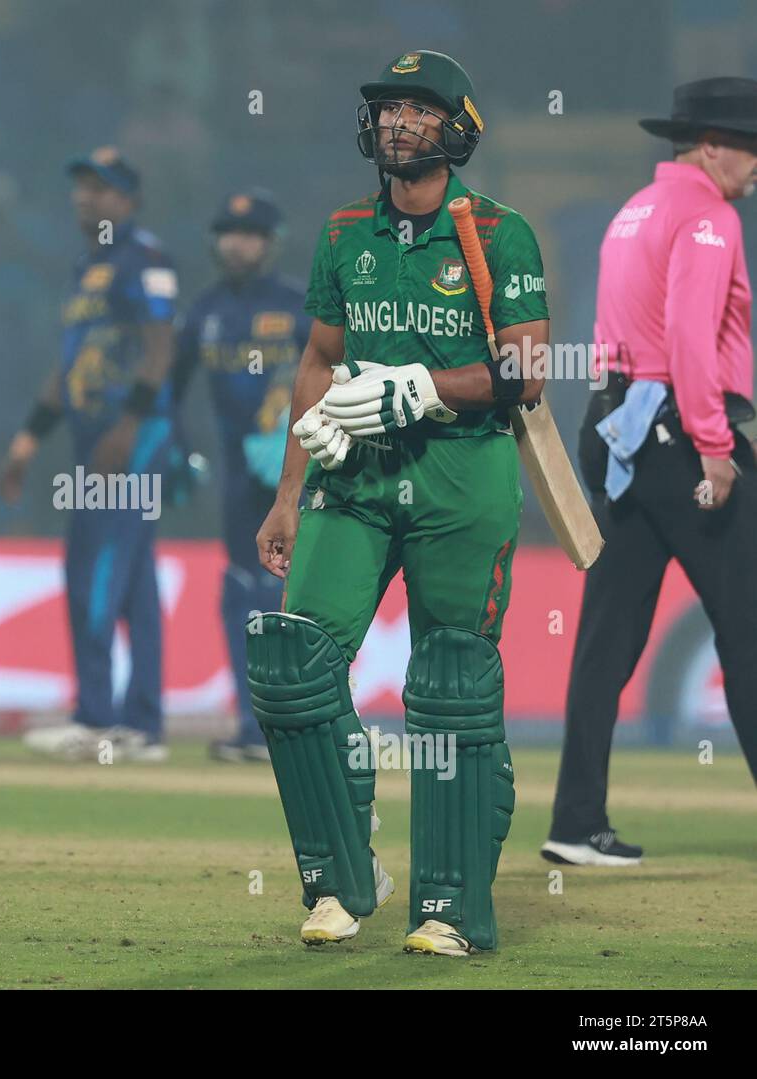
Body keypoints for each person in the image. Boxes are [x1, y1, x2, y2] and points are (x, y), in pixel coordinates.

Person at [253, 51, 549, 955]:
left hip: (463, 474)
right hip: (355, 475)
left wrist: (422, 387)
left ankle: (451, 906)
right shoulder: (345, 231)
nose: (397, 124)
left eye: (418, 110)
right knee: (291, 665)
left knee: (454, 684)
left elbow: (526, 370)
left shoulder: (498, 233)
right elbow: (316, 359)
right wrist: (289, 490)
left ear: (457, 127)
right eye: (387, 110)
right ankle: (345, 878)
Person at [545, 78, 757, 867]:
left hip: (622, 432)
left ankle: (575, 821)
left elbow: (618, 332)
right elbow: (691, 340)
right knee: (749, 625)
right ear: (710, 145)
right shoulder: (709, 216)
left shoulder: (633, 211)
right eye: (748, 142)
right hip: (682, 438)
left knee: (605, 637)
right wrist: (713, 445)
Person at [0, 147, 178, 763]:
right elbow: (70, 361)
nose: (85, 199)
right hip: (91, 438)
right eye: (80, 188)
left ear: (127, 200)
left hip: (128, 438)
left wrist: (130, 423)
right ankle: (144, 726)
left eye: (99, 190)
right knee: (134, 582)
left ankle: (97, 718)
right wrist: (30, 434)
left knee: (95, 568)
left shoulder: (143, 258)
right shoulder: (87, 265)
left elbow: (161, 347)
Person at [171, 190, 310, 762]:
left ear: (271, 243)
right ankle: (253, 728)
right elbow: (167, 392)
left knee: (295, 597)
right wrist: (179, 453)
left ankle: (296, 725)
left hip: (297, 477)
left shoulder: (301, 308)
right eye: (230, 232)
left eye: (251, 234)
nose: (239, 243)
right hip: (236, 478)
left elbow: (340, 377)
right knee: (240, 593)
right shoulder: (204, 313)